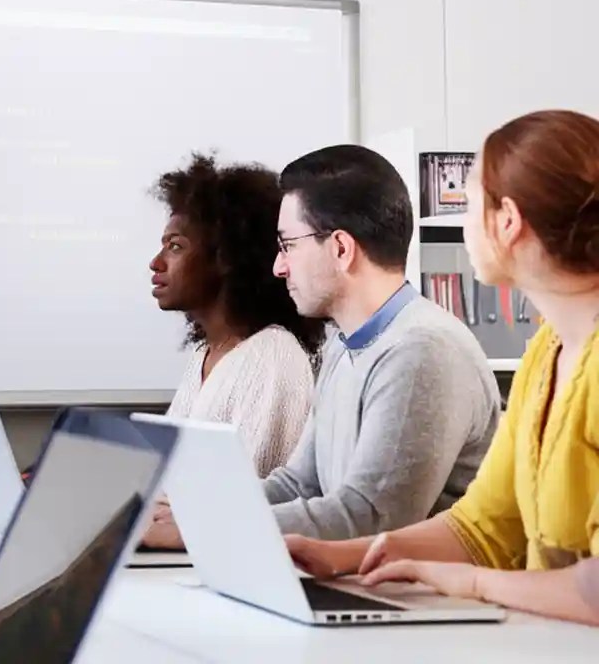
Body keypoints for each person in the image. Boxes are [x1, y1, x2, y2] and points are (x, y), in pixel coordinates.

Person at [285, 110, 599, 627]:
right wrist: (351, 555)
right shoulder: (546, 352)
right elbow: (483, 528)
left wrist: (473, 584)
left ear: (508, 222)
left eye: (470, 203)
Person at [149, 144, 502, 550]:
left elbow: (369, 517)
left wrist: (198, 528)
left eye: (288, 246)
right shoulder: (346, 345)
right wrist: (193, 509)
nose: (278, 267)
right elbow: (301, 484)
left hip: (428, 602)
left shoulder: (422, 352)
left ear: (340, 249)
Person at [148, 153, 324, 473]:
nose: (156, 263)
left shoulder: (273, 357)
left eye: (175, 246)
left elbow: (247, 495)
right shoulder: (206, 353)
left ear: (227, 255)